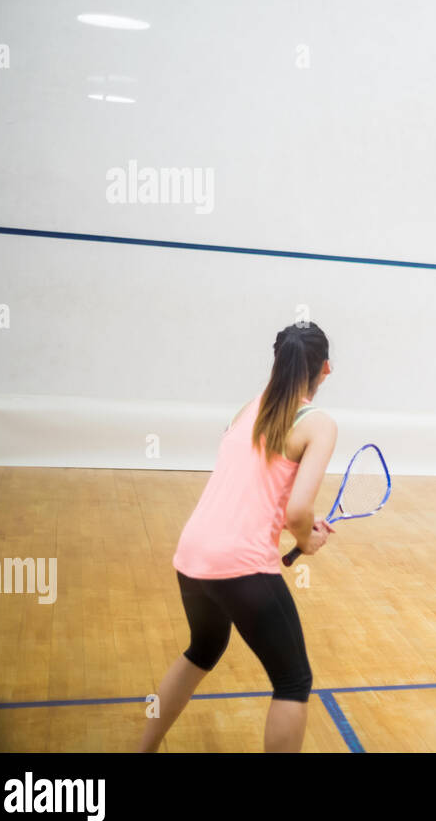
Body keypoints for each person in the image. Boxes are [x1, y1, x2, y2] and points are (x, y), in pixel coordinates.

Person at [138, 322, 338, 752]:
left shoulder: (249, 408)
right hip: (241, 567)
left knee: (201, 650)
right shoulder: (318, 424)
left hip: (192, 558)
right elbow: (297, 511)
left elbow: (257, 492)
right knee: (293, 680)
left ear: (278, 363)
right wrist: (305, 539)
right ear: (325, 369)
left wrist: (302, 527)